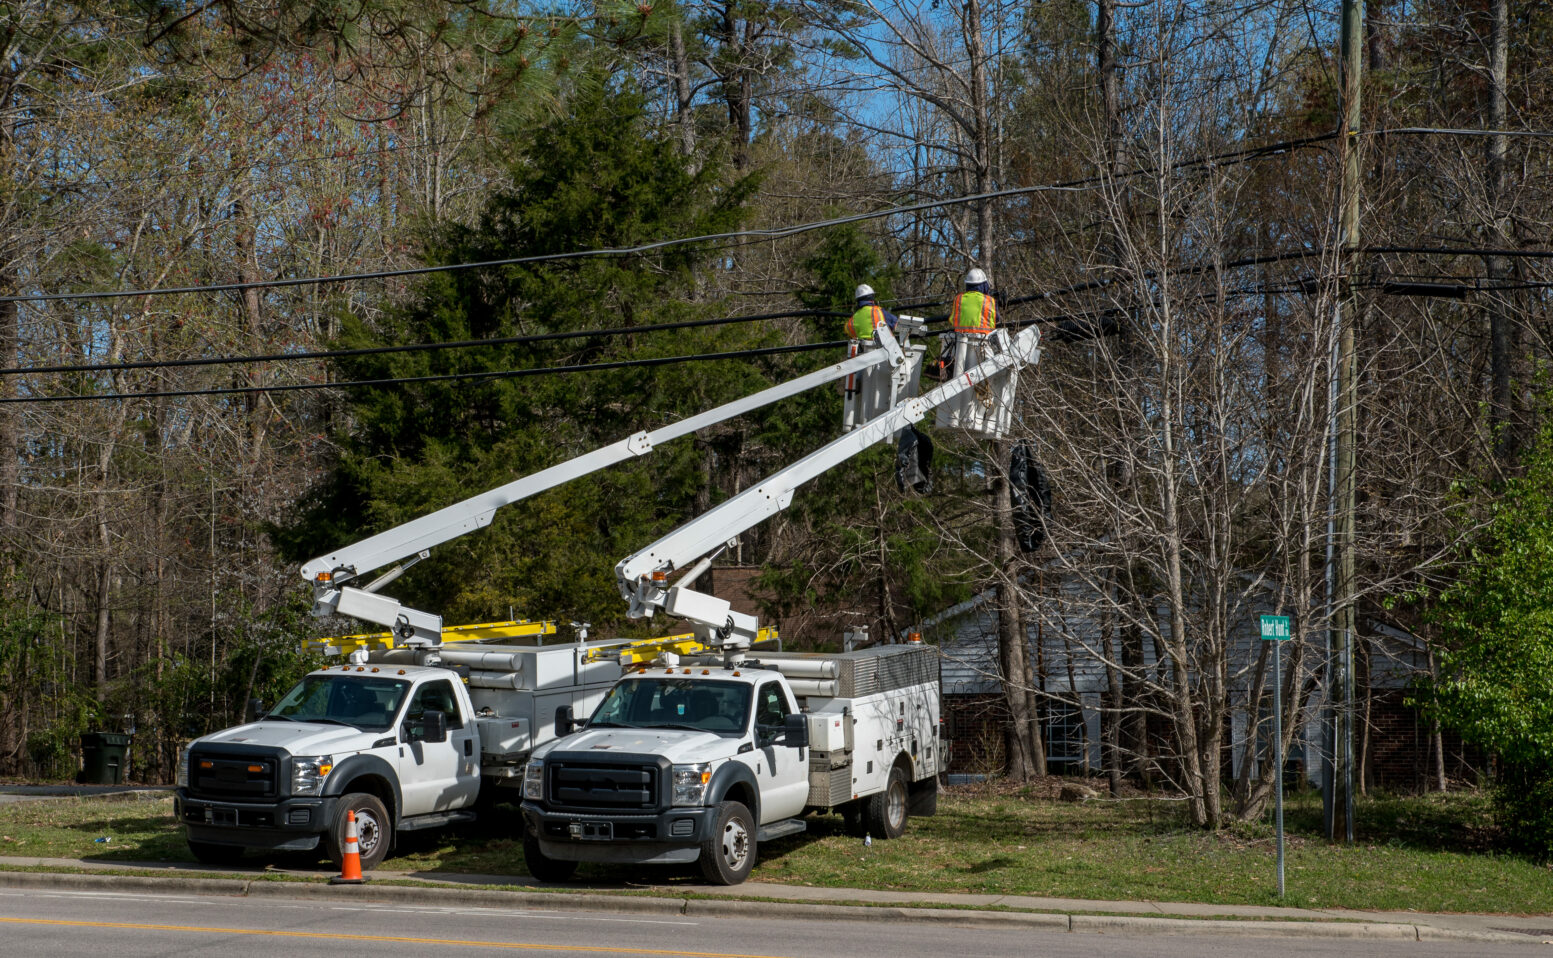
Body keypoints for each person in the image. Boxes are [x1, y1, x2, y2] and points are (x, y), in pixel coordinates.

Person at [950, 267, 996, 335]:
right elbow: (997, 319)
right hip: (984, 341)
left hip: (960, 340)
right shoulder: (989, 301)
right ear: (983, 285)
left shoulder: (958, 299)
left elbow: (952, 320)